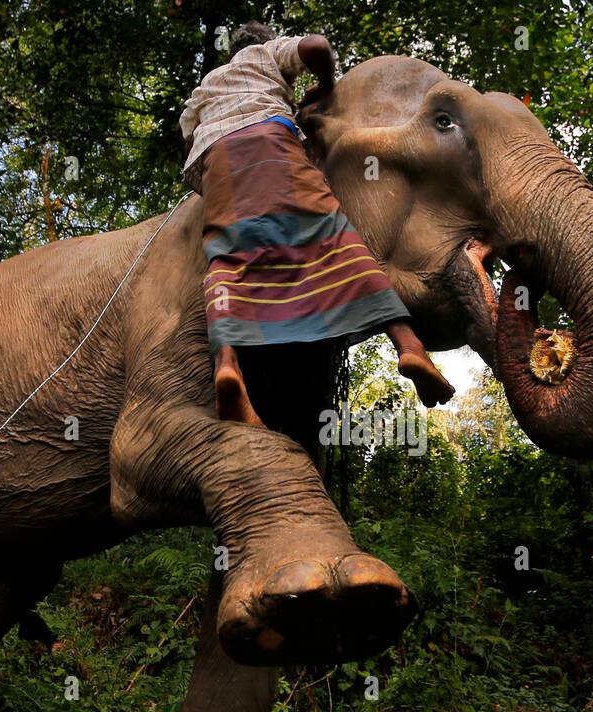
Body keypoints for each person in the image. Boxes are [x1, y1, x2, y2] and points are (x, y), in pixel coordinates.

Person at [180, 21, 454, 426]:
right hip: (268, 141)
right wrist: (325, 86)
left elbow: (186, 141)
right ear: (266, 42)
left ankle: (227, 367)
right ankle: (410, 346)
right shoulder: (266, 55)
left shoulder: (207, 85)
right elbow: (317, 46)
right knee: (333, 236)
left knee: (226, 258)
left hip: (216, 163)